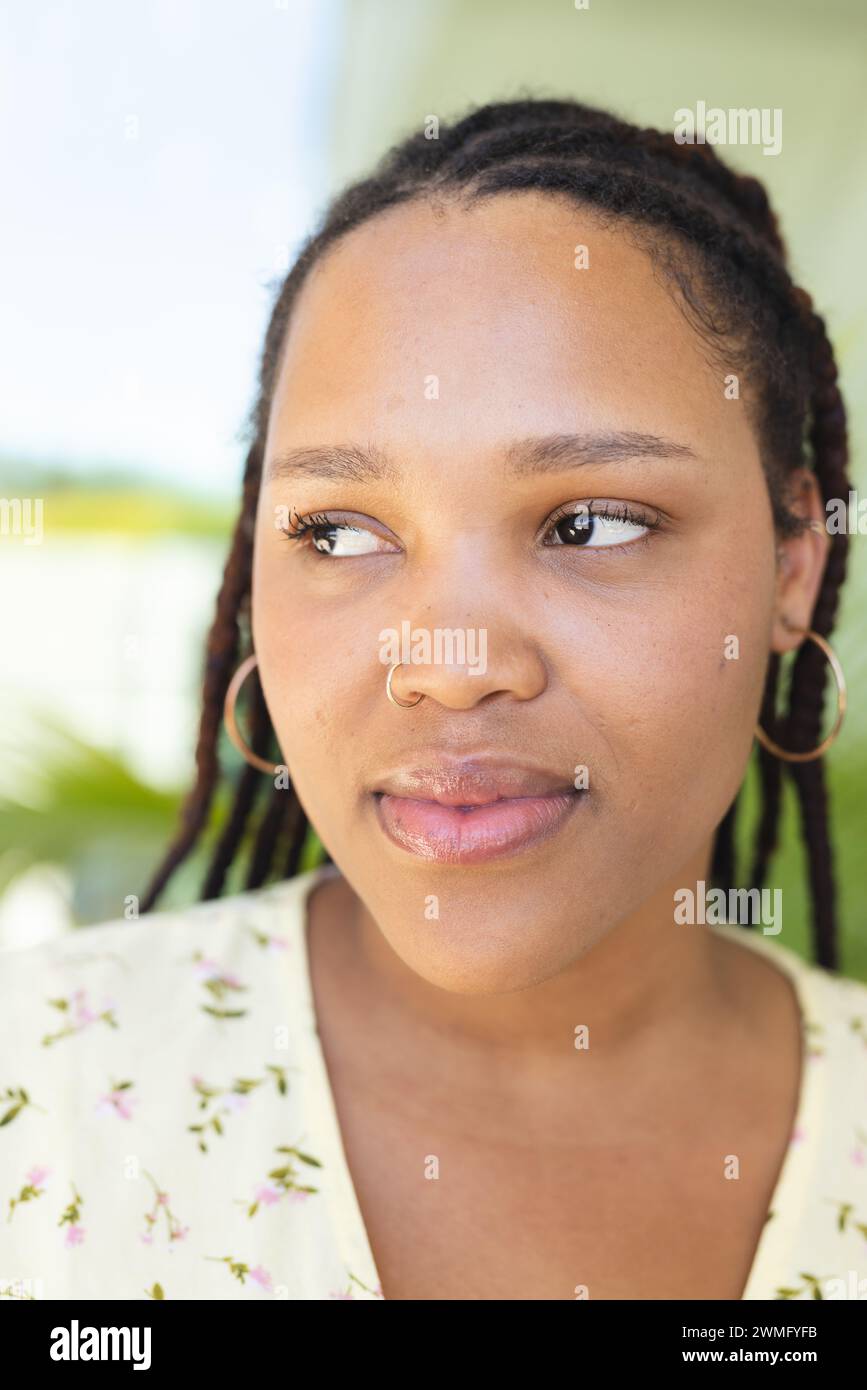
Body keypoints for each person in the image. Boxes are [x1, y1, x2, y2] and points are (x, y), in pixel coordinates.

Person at [2, 96, 865, 1302]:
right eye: (342, 531)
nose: (451, 661)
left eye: (592, 523)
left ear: (792, 566)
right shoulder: (37, 1085)